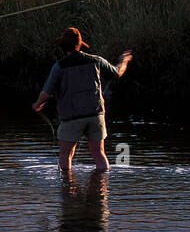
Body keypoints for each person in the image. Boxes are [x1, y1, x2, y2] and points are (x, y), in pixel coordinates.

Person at [32, 27, 133, 174]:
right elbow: (117, 73)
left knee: (66, 155)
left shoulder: (59, 67)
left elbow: (46, 93)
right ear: (79, 45)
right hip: (95, 115)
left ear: (62, 47)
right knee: (98, 154)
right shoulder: (96, 60)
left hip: (71, 118)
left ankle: (67, 189)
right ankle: (102, 190)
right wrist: (124, 60)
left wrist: (37, 104)